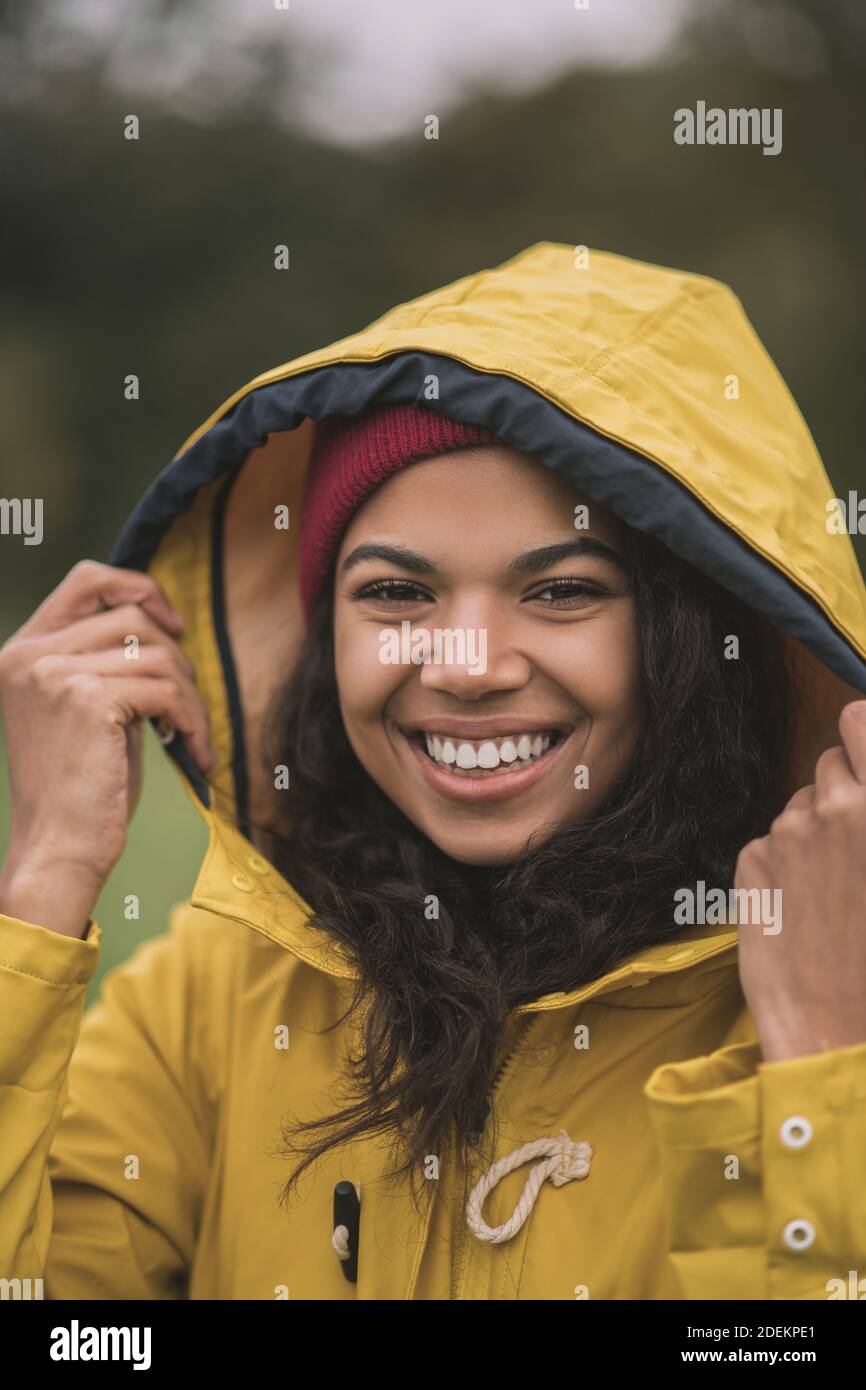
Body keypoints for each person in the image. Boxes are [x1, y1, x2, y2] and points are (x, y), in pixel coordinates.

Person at [2, 242, 866, 1301]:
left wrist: (821, 1069)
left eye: (560, 591)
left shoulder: (831, 985)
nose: (466, 667)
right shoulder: (219, 994)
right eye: (395, 594)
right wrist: (47, 872)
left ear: (697, 638)